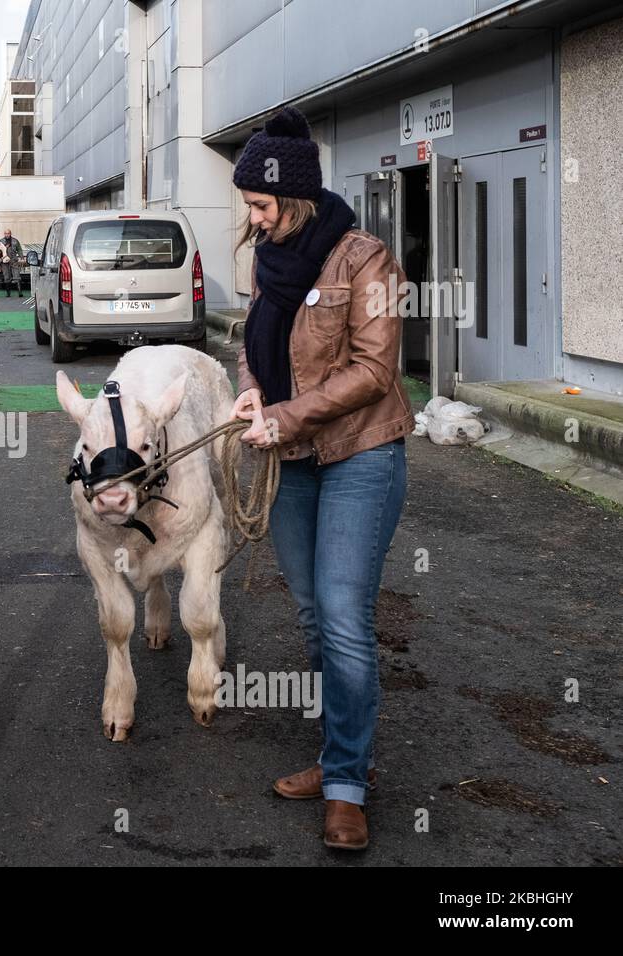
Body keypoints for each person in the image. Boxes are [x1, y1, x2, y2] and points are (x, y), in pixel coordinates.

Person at [231, 107, 414, 851]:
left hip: (361, 453)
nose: (252, 216)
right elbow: (256, 338)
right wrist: (250, 386)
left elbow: (375, 370)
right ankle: (342, 756)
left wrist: (286, 417)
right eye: (249, 204)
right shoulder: (267, 257)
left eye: (261, 204)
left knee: (342, 614)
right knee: (311, 613)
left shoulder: (365, 258)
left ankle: (345, 785)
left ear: (294, 198)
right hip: (292, 456)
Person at [0, 229, 23, 297]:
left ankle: (20, 292)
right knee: (6, 276)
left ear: (10, 233)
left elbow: (19, 249)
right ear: (4, 234)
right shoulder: (1, 241)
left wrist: (21, 256)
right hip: (4, 262)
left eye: (8, 233)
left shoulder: (15, 241)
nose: (7, 235)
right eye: (5, 233)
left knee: (17, 276)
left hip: (13, 260)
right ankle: (8, 293)